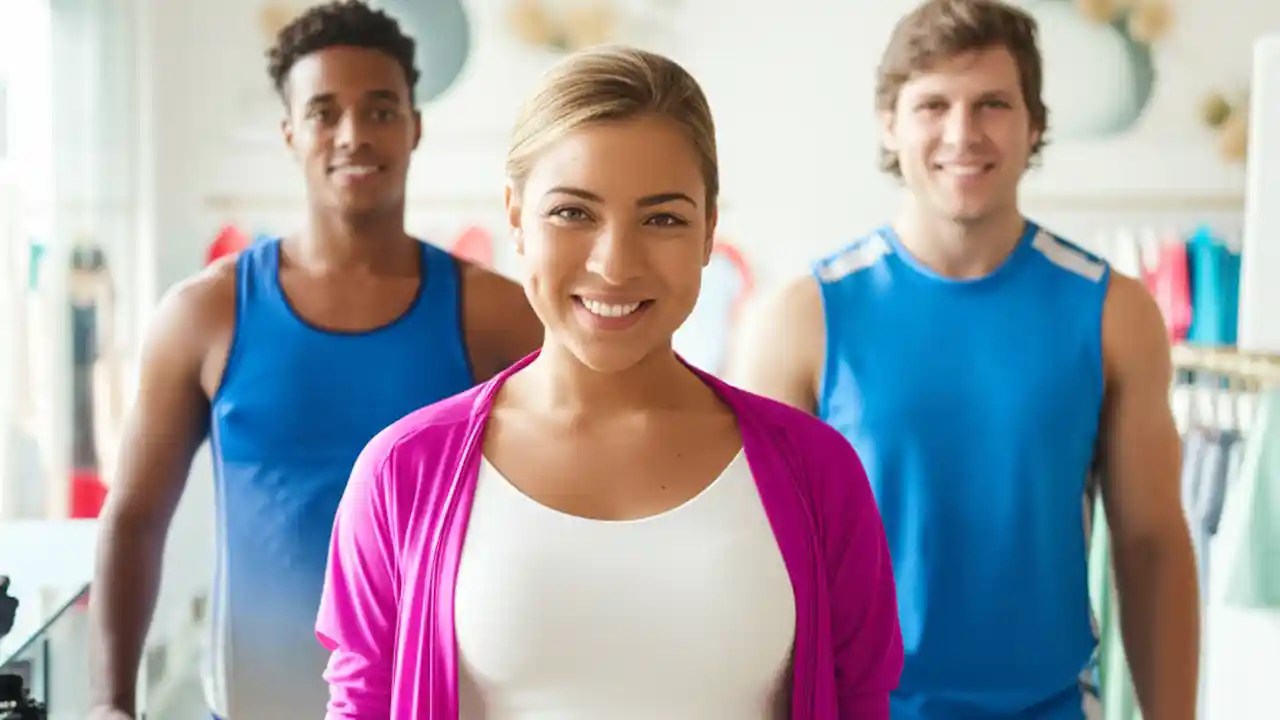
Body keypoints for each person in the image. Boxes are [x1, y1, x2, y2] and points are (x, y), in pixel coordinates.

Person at [314, 45, 904, 719]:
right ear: (516, 217)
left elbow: (860, 700)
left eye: (662, 218)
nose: (615, 264)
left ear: (708, 231)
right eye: (573, 212)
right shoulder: (403, 472)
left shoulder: (818, 473)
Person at [730, 1, 1201, 718]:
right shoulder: (801, 319)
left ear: (1033, 123)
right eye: (933, 105)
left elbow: (1150, 548)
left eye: (992, 104)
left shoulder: (1113, 312)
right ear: (889, 123)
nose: (962, 133)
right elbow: (756, 568)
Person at [86, 2, 542, 719]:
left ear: (415, 127)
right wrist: (110, 703)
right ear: (291, 132)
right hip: (252, 705)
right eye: (325, 112)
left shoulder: (495, 315)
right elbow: (136, 517)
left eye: (381, 110)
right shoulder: (206, 314)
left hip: (430, 704)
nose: (353, 134)